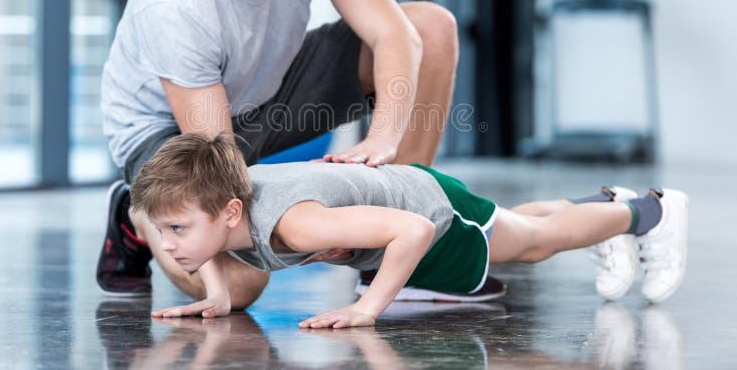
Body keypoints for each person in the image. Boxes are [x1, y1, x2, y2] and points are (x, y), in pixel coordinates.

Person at [97, 0, 465, 304]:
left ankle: (401, 254)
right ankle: (139, 210)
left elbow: (396, 35)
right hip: (176, 136)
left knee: (431, 28)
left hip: (265, 91)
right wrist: (314, 229)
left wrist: (384, 138)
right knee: (242, 285)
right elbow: (216, 162)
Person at [130, 133, 689, 328]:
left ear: (230, 213)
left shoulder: (297, 226)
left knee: (534, 245)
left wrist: (366, 309)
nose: (169, 244)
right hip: (407, 195)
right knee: (517, 221)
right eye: (162, 231)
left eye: (177, 228)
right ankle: (605, 205)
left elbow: (414, 231)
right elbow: (206, 242)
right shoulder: (217, 212)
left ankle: (650, 211)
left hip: (432, 211)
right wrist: (221, 295)